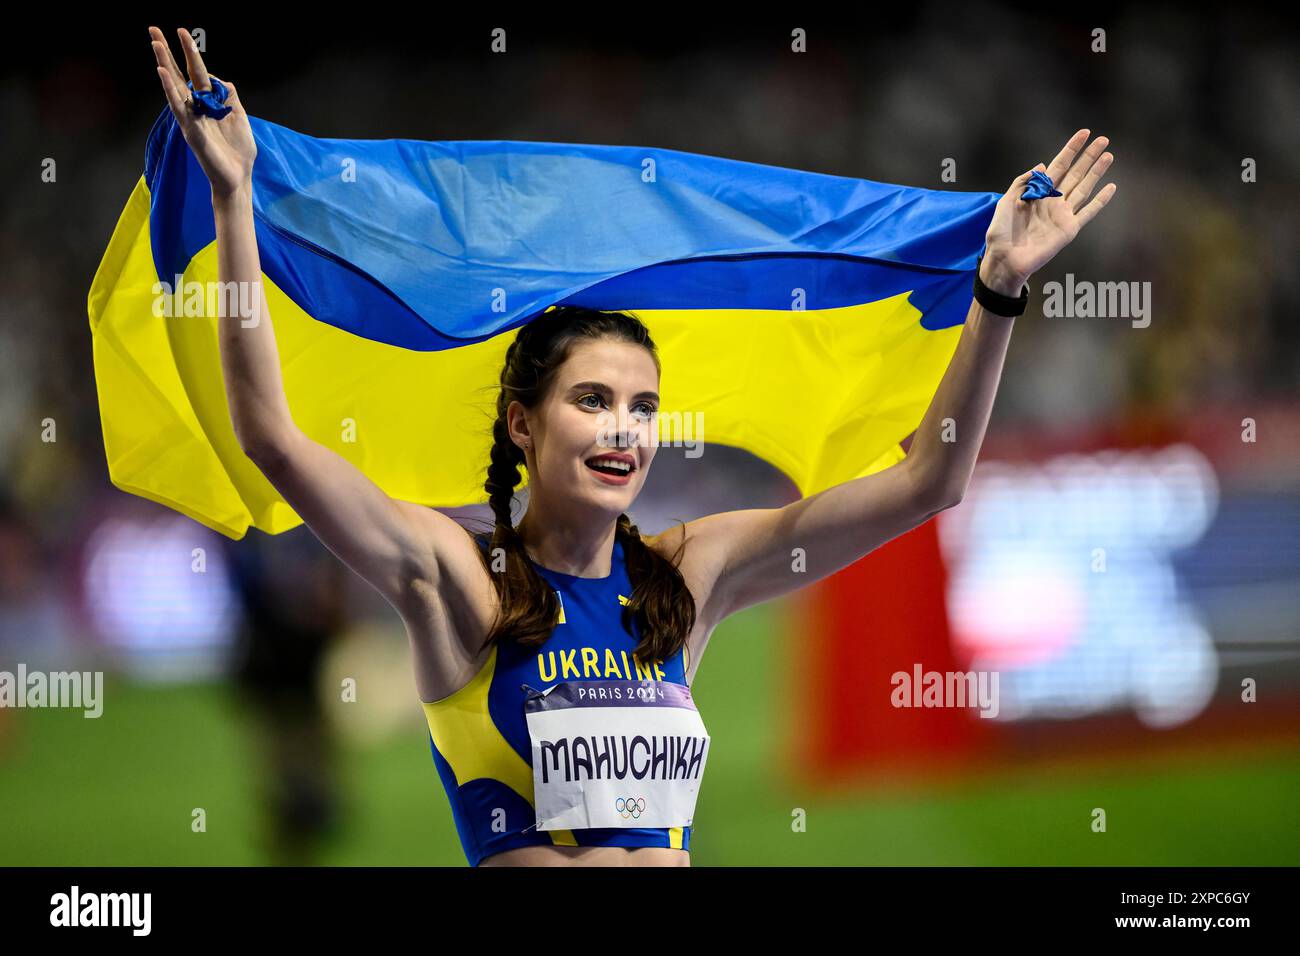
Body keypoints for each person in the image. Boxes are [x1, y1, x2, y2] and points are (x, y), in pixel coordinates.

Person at [149, 25, 1116, 866]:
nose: (625, 429)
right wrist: (235, 202)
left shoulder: (690, 573)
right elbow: (271, 438)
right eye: (594, 400)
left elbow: (929, 481)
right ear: (522, 425)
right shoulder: (460, 579)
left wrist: (997, 288)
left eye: (644, 407)